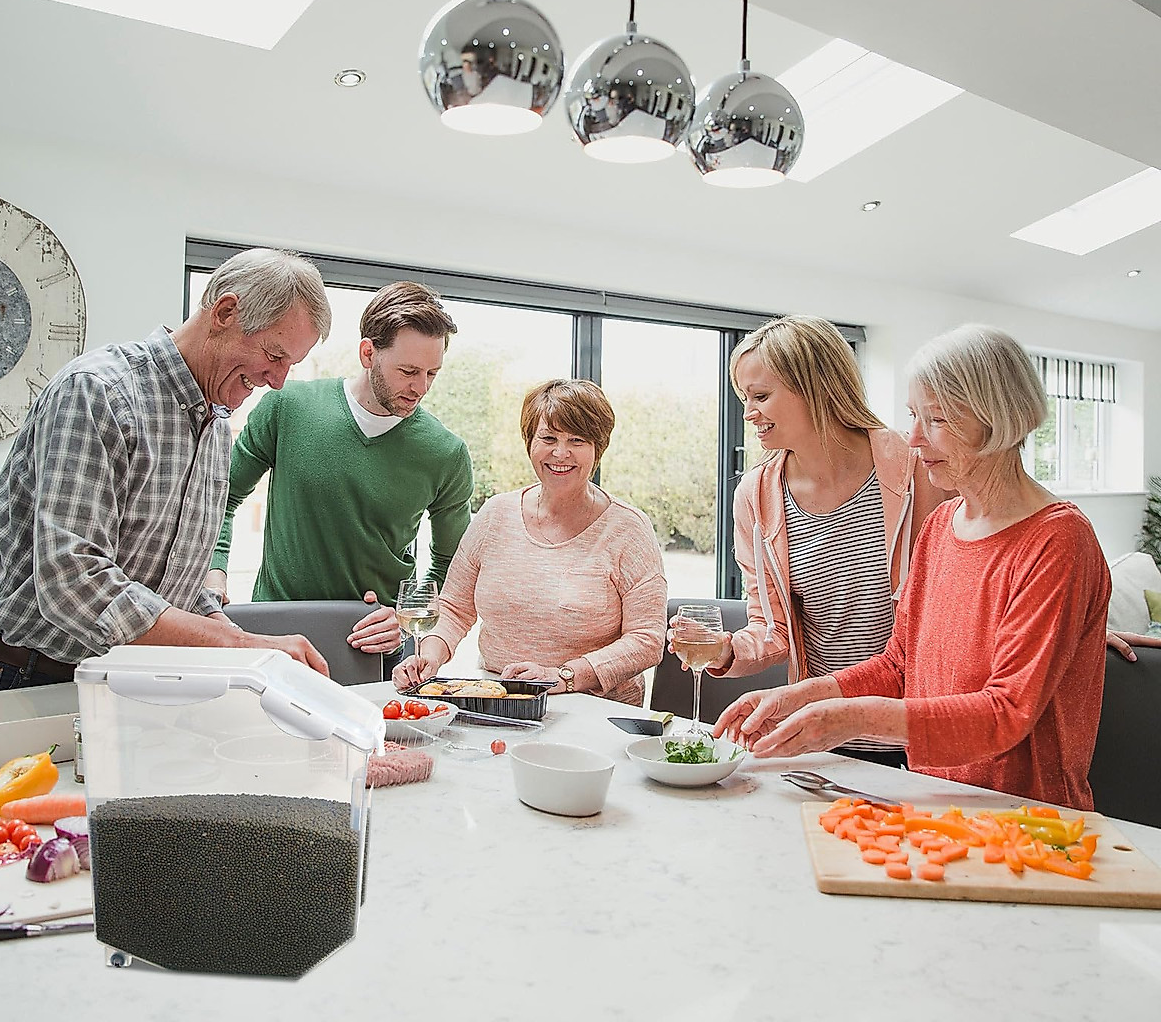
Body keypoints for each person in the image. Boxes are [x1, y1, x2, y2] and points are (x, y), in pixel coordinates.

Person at [716, 324, 1112, 810]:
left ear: (1001, 422)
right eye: (913, 417)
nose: (916, 439)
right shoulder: (943, 524)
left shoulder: (1059, 538)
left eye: (938, 420)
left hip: (1027, 816)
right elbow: (900, 665)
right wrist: (803, 697)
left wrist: (852, 718)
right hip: (932, 799)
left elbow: (1008, 711)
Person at [0, 248, 334, 695]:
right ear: (225, 312)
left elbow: (179, 580)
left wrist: (225, 631)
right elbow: (72, 578)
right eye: (275, 355)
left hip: (112, 682)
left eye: (290, 364)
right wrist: (238, 643)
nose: (278, 380)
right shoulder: (100, 391)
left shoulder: (215, 426)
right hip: (8, 675)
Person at [687, 315, 950, 766]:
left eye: (761, 396)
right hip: (822, 736)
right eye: (744, 398)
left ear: (816, 386)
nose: (748, 412)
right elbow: (773, 629)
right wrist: (726, 649)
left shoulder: (917, 466)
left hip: (919, 734)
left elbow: (983, 568)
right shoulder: (756, 496)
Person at [207, 281, 473, 666]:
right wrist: (215, 570)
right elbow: (219, 498)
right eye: (408, 370)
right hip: (273, 639)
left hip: (375, 650)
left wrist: (404, 620)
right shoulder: (286, 408)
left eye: (432, 373)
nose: (420, 388)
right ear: (368, 352)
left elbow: (453, 566)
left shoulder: (446, 453)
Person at [389, 379, 666, 706]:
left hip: (593, 710)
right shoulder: (495, 514)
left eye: (576, 440)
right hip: (497, 703)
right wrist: (429, 657)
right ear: (529, 443)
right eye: (548, 438)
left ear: (598, 448)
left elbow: (646, 640)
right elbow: (453, 607)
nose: (560, 453)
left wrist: (563, 675)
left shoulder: (628, 529)